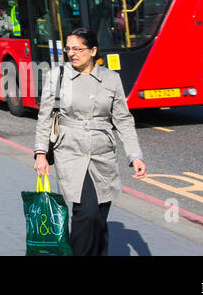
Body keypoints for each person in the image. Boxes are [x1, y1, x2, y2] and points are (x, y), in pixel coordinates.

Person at [33, 28, 147, 256]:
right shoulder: (58, 77)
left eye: (78, 49)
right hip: (71, 152)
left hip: (102, 154)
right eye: (68, 49)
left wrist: (134, 156)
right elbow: (45, 117)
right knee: (86, 213)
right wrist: (40, 153)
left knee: (100, 217)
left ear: (93, 50)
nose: (72, 54)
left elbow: (123, 120)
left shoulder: (111, 79)